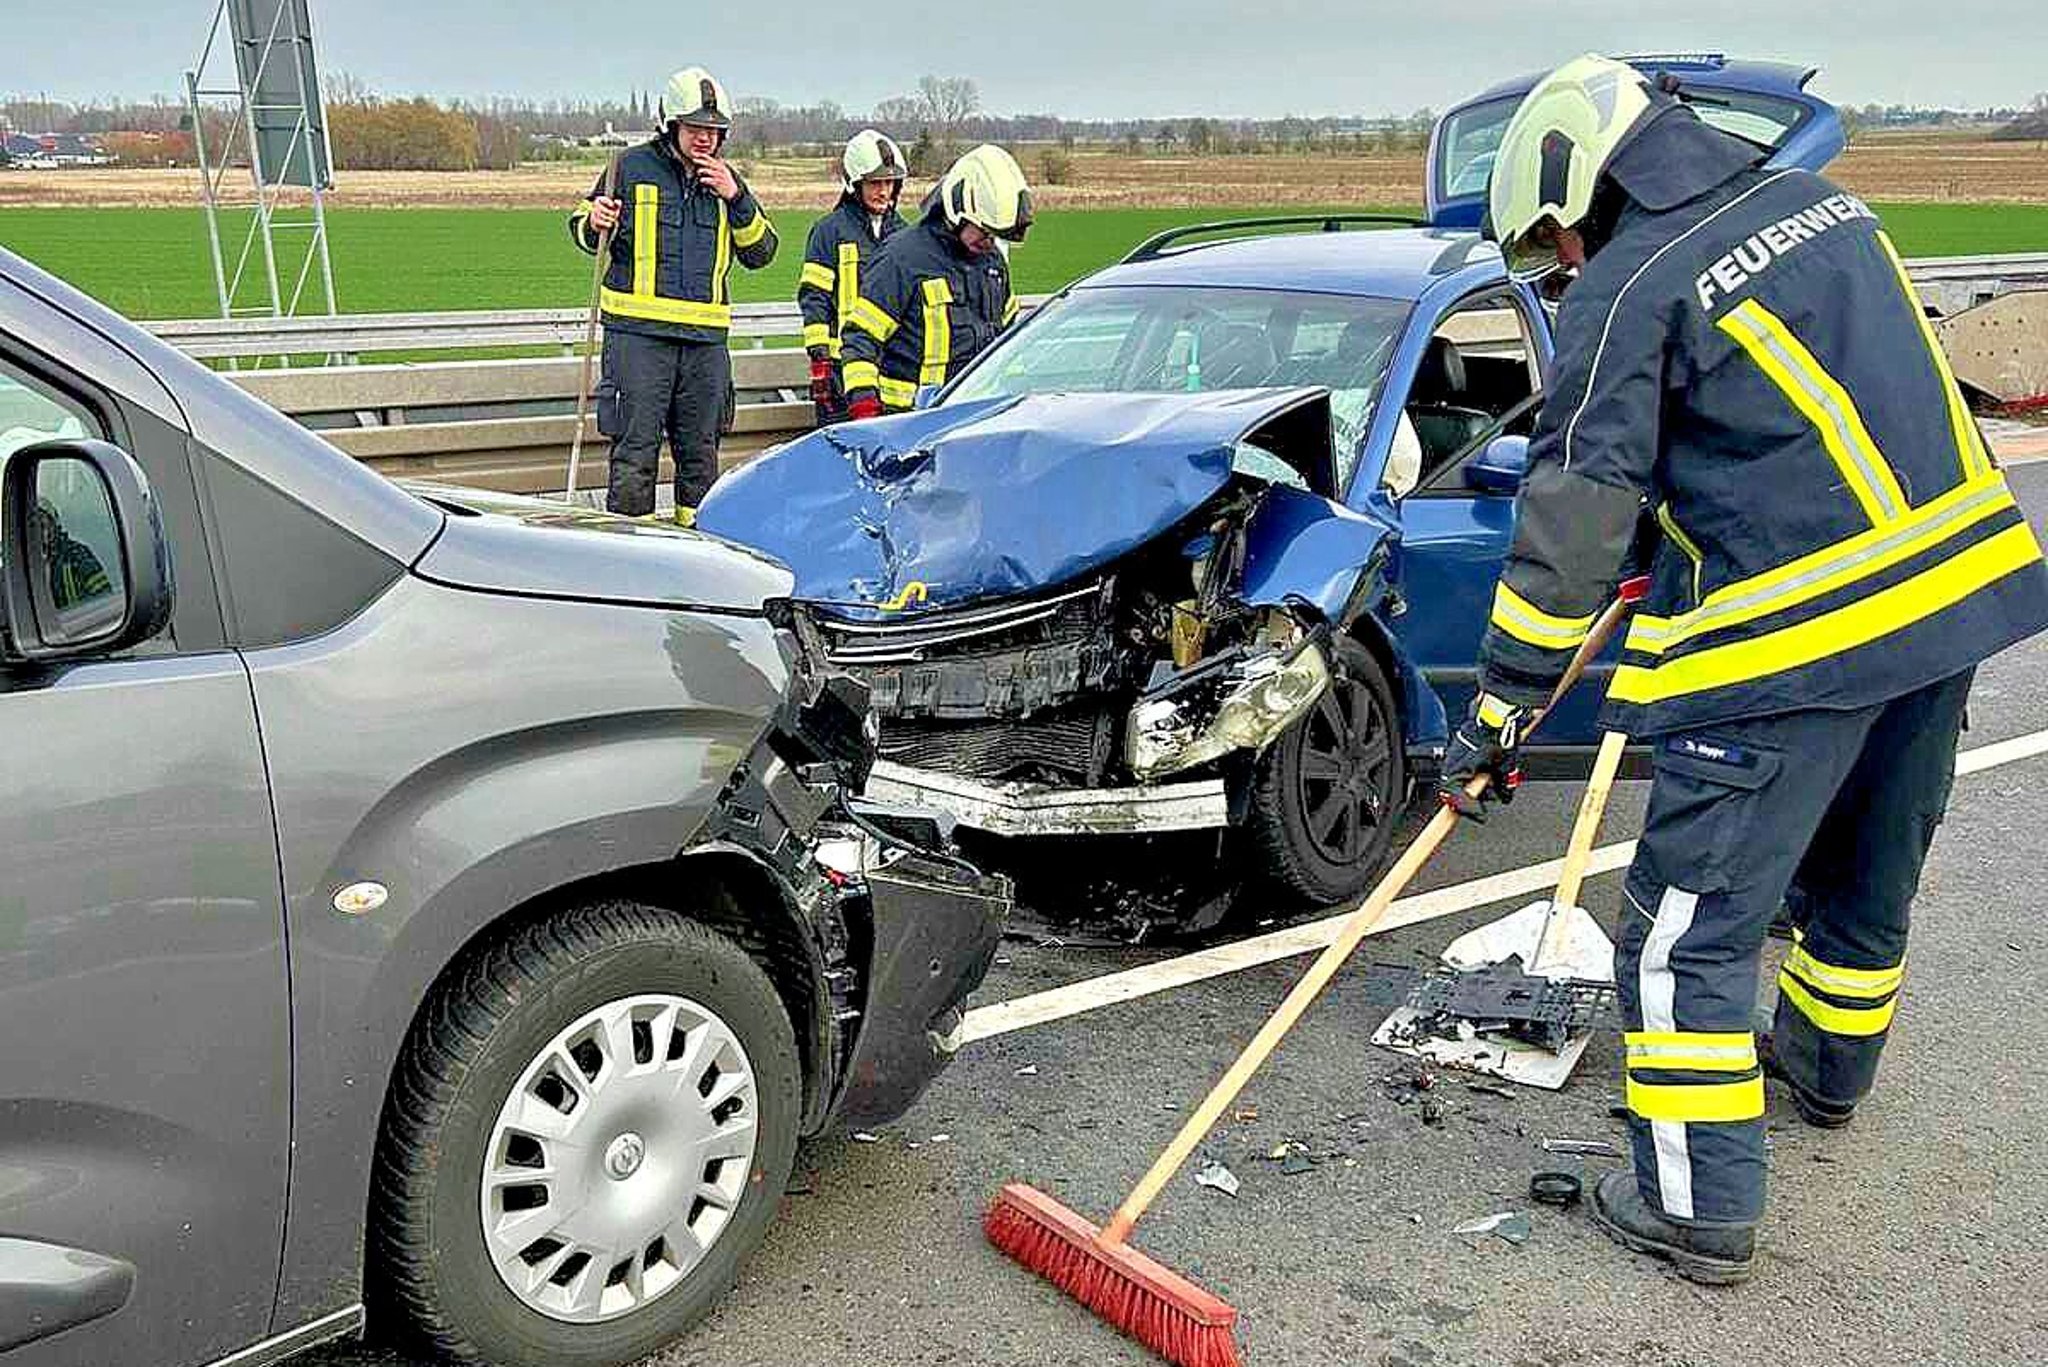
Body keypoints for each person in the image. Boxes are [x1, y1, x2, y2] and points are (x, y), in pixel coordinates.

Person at [1440, 54, 2048, 1284]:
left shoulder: (1626, 290)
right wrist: (1670, 534)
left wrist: (1500, 706)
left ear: (1577, 185)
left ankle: (1690, 1199)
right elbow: (1793, 431)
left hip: (1796, 644)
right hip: (1948, 608)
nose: (1561, 267)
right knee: (1862, 878)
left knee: (1679, 933)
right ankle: (1824, 1070)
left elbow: (1572, 512)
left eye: (1554, 244)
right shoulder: (1827, 208)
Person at [570, 66, 778, 523]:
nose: (705, 139)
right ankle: (632, 563)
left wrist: (737, 196)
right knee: (634, 457)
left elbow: (762, 252)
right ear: (671, 124)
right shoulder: (627, 167)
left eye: (714, 130)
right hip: (638, 341)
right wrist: (595, 222)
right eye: (695, 128)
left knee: (701, 458)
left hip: (704, 346)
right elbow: (583, 231)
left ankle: (697, 557)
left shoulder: (728, 183)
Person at [839, 144, 1032, 417]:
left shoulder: (992, 263)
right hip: (907, 422)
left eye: (996, 235)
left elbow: (1010, 342)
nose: (990, 242)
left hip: (975, 418)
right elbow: (861, 338)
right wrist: (865, 409)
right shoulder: (902, 258)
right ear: (958, 210)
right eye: (984, 231)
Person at [798, 129, 908, 425]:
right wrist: (820, 361)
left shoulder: (905, 235)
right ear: (853, 184)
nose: (883, 192)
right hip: (839, 370)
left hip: (891, 369)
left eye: (890, 183)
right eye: (874, 183)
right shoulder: (829, 231)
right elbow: (815, 297)